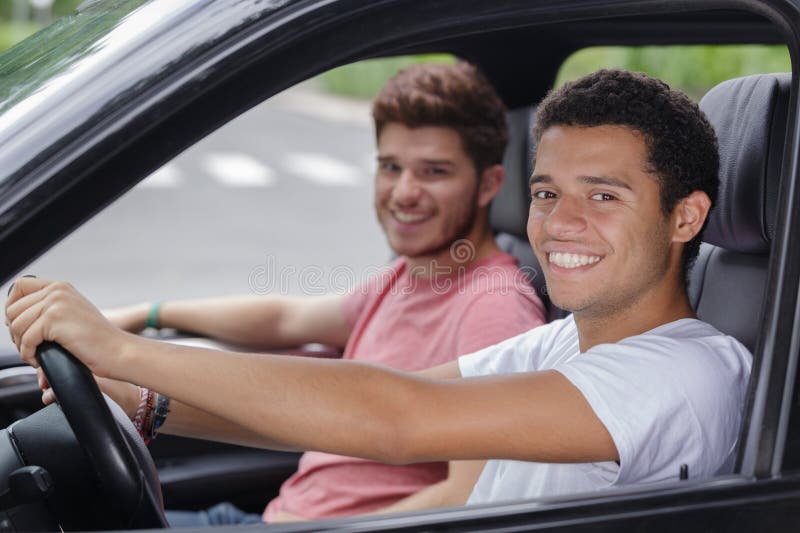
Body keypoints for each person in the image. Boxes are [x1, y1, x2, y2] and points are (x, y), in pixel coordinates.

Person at [6, 69, 752, 509]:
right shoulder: (572, 340)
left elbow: (395, 415)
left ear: (685, 216)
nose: (560, 224)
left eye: (603, 196)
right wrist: (147, 401)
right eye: (549, 193)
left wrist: (127, 348)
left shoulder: (681, 373)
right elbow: (352, 407)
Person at [73, 62, 547, 525]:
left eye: (433, 172)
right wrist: (146, 314)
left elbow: (472, 498)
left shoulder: (496, 309)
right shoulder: (408, 275)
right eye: (390, 166)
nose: (404, 192)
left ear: (489, 184)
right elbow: (284, 319)